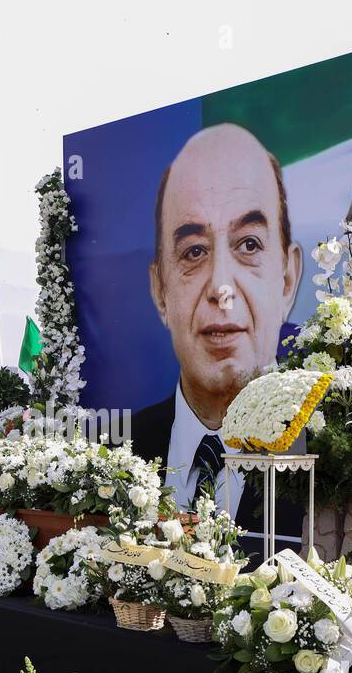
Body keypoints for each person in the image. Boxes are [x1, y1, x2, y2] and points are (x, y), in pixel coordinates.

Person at [130, 123, 304, 544]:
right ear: (160, 291)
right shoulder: (118, 452)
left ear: (287, 279)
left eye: (248, 245)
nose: (220, 287)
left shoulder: (337, 465)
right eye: (194, 251)